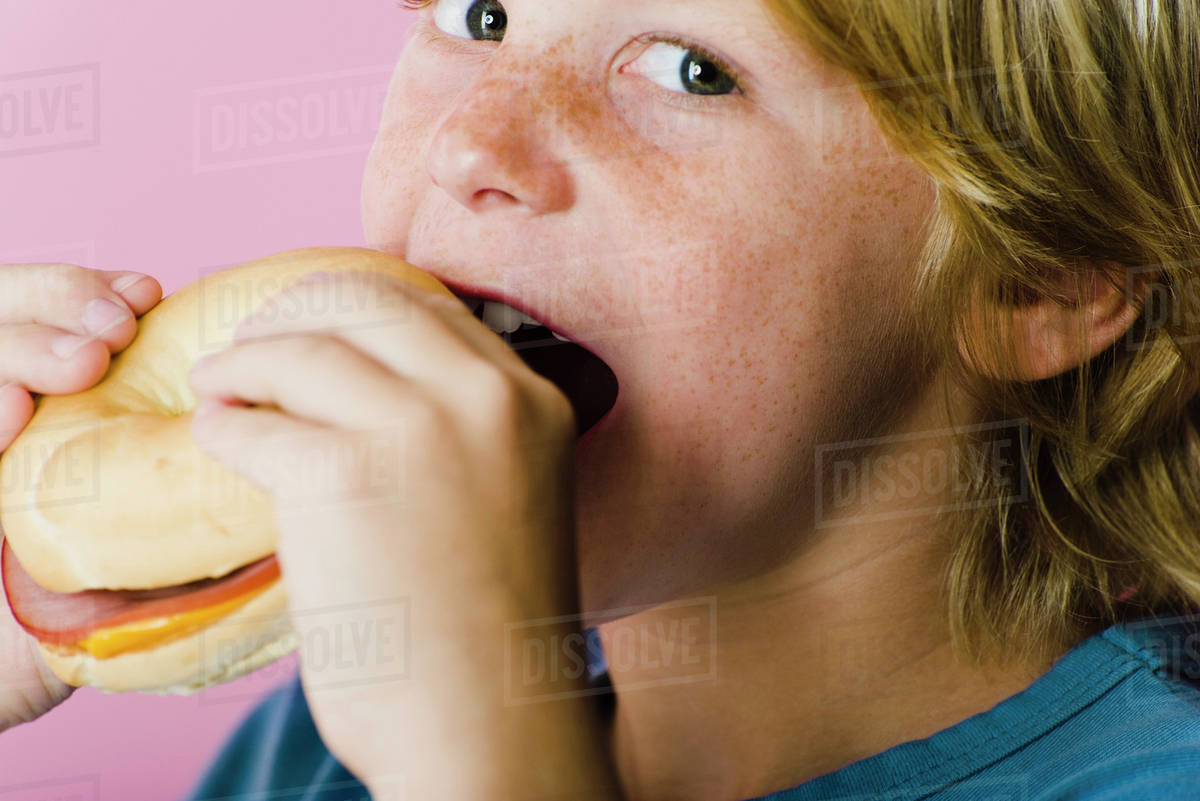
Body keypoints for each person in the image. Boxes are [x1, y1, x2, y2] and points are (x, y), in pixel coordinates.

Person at [3, 0, 1200, 798]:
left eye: (693, 70)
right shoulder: (323, 748)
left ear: (1041, 276)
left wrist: (476, 762)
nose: (473, 139)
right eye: (481, 14)